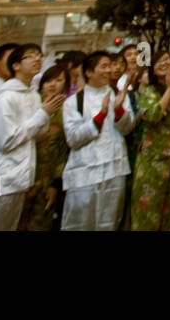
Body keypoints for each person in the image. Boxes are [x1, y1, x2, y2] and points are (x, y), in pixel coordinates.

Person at [0, 43, 65, 230]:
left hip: (21, 179)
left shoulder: (34, 96)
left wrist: (45, 116)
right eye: (29, 56)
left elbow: (37, 135)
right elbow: (7, 141)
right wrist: (42, 114)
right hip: (0, 177)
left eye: (39, 55)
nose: (37, 59)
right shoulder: (6, 97)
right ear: (16, 66)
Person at [60, 50, 135, 230]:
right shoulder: (73, 102)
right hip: (84, 173)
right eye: (104, 66)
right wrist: (100, 116)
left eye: (110, 66)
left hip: (114, 169)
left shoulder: (118, 95)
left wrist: (118, 111)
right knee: (80, 223)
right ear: (89, 72)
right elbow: (73, 138)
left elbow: (127, 128)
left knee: (109, 221)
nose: (109, 70)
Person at [128, 50, 170, 230]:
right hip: (153, 160)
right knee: (147, 210)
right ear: (152, 69)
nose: (164, 63)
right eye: (159, 62)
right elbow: (153, 115)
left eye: (167, 59)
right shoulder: (148, 91)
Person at [21, 63, 70, 230]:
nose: (53, 84)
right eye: (48, 80)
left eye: (59, 80)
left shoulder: (67, 111)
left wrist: (54, 185)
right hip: (23, 175)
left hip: (48, 178)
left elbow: (63, 151)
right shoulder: (30, 105)